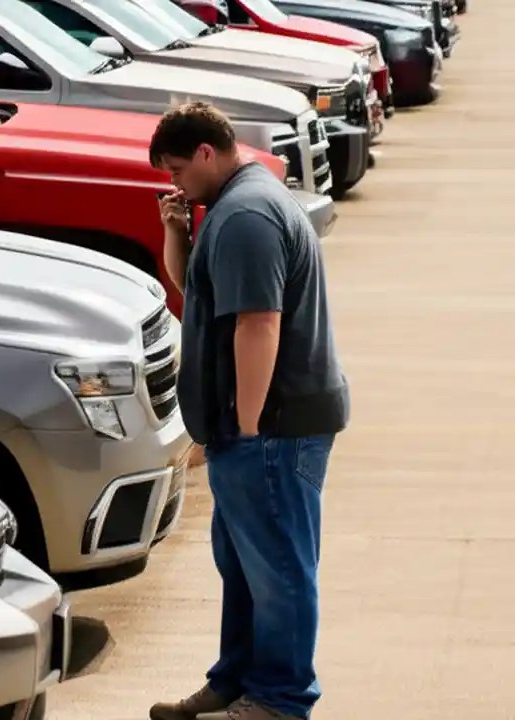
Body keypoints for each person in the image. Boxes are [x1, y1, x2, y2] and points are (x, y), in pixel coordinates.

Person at [147, 101, 350, 720]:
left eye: (178, 170)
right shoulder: (232, 205)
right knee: (243, 567)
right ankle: (236, 682)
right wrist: (177, 233)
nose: (175, 184)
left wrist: (248, 424)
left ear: (208, 152)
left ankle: (280, 701)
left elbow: (259, 324)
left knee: (280, 571)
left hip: (276, 428)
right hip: (259, 428)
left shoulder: (247, 216)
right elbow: (203, 297)